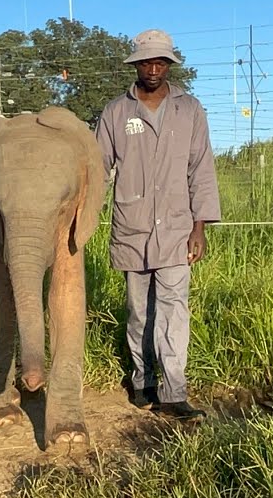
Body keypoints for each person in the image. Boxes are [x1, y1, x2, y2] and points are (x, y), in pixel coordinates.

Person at [94, 28, 221, 421]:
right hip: (132, 226)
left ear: (169, 65)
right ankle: (142, 382)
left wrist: (199, 226)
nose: (153, 68)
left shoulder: (190, 109)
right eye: (146, 62)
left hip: (178, 229)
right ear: (135, 65)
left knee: (173, 309)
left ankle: (173, 392)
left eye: (160, 62)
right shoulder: (116, 113)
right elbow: (97, 168)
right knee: (138, 310)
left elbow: (201, 169)